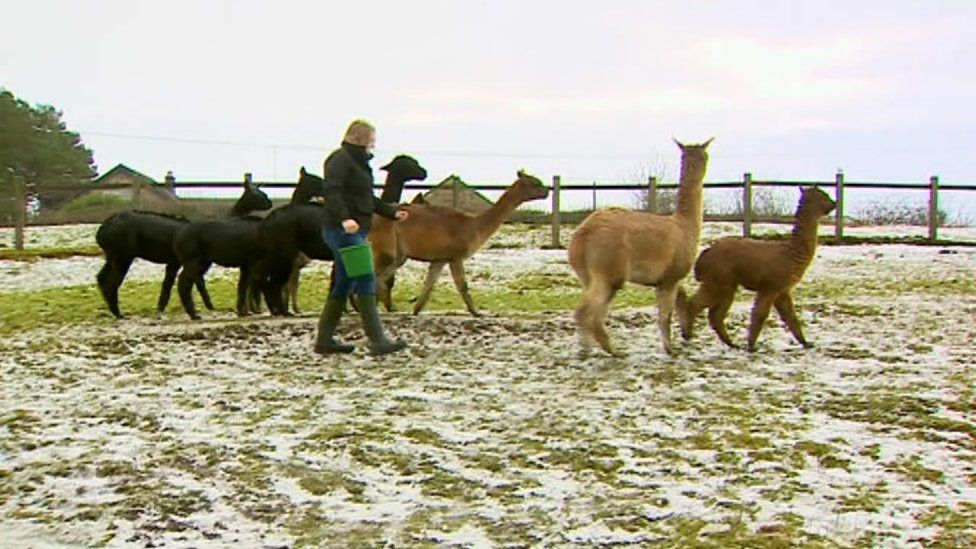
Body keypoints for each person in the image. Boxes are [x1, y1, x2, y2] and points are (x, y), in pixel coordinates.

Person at [315, 119, 410, 355]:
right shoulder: (340, 161)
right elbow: (332, 192)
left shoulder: (357, 164)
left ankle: (324, 340)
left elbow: (366, 199)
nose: (373, 146)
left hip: (353, 230)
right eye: (371, 140)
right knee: (366, 278)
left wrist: (390, 212)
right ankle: (377, 340)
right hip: (343, 231)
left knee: (345, 283)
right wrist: (345, 218)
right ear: (359, 138)